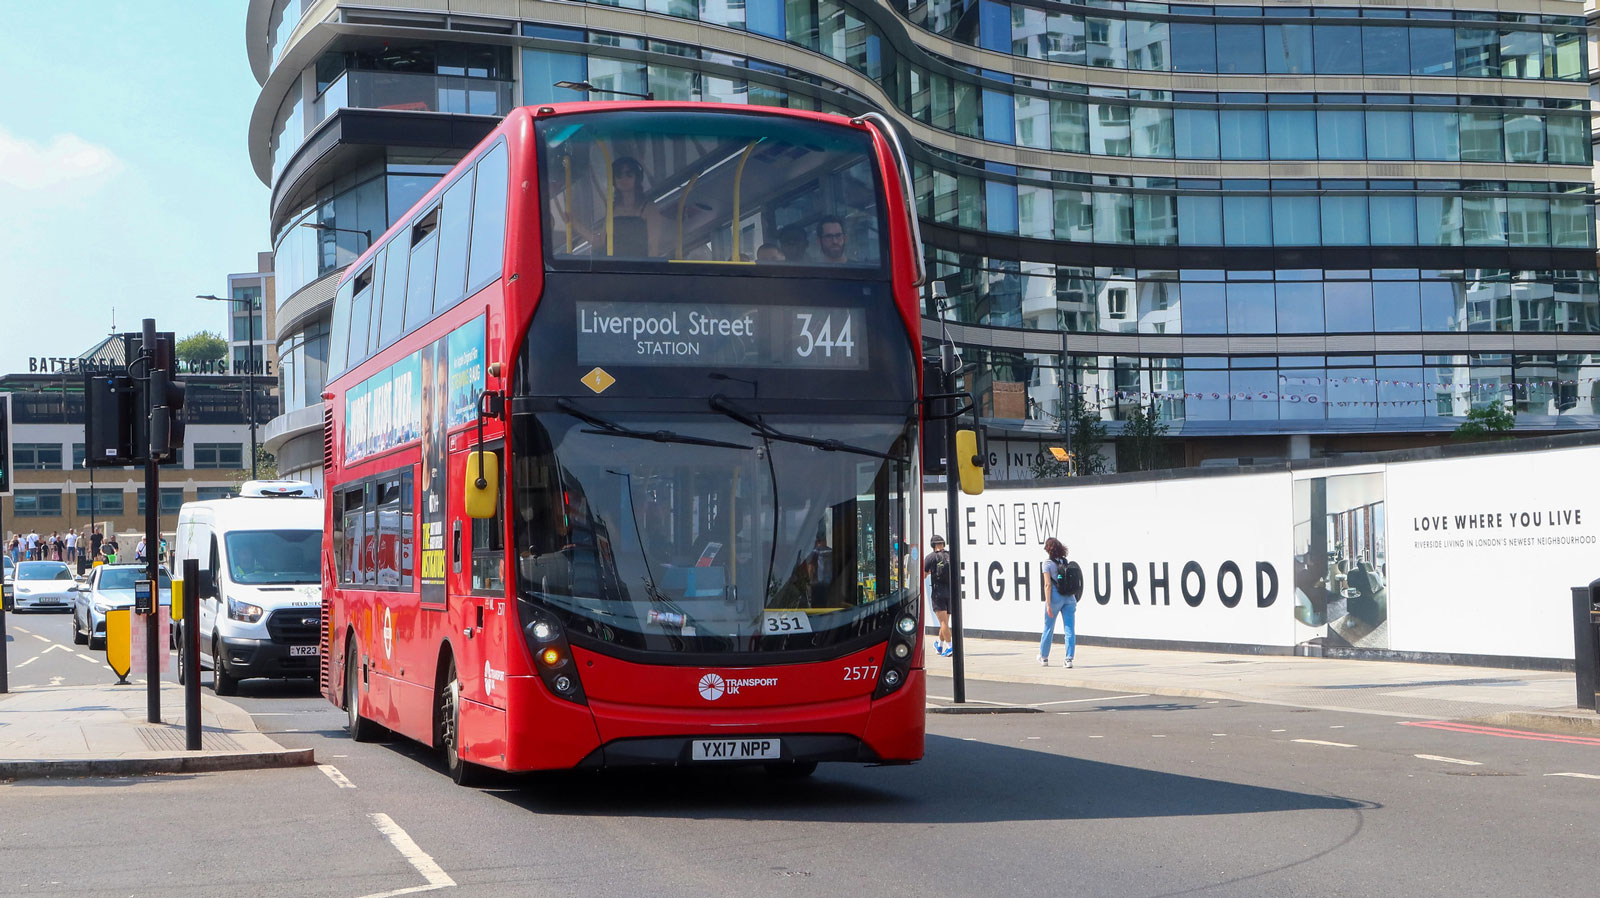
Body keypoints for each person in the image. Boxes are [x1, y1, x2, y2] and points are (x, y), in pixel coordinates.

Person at [1038, 538, 1081, 667]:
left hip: (1056, 598)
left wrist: (1048, 603)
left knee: (1048, 628)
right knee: (1069, 629)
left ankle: (1044, 657)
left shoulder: (1047, 564)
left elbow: (1047, 585)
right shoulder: (1065, 561)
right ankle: (1068, 659)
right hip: (1069, 598)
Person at [923, 535, 953, 657]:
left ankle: (950, 647)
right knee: (945, 622)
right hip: (950, 592)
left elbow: (923, 575)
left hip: (938, 593)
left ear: (933, 545)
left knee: (943, 623)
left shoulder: (930, 558)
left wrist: (929, 573)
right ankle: (939, 645)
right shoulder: (950, 555)